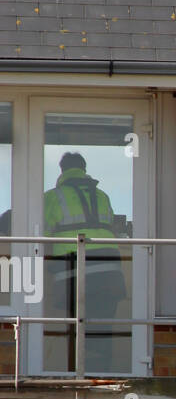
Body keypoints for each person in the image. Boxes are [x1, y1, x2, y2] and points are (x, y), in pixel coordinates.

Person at [43, 153, 130, 372]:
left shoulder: (53, 197)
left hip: (76, 271)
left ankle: (79, 378)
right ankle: (100, 375)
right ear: (84, 169)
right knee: (102, 330)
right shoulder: (102, 195)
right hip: (110, 271)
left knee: (78, 328)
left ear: (62, 171)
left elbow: (40, 237)